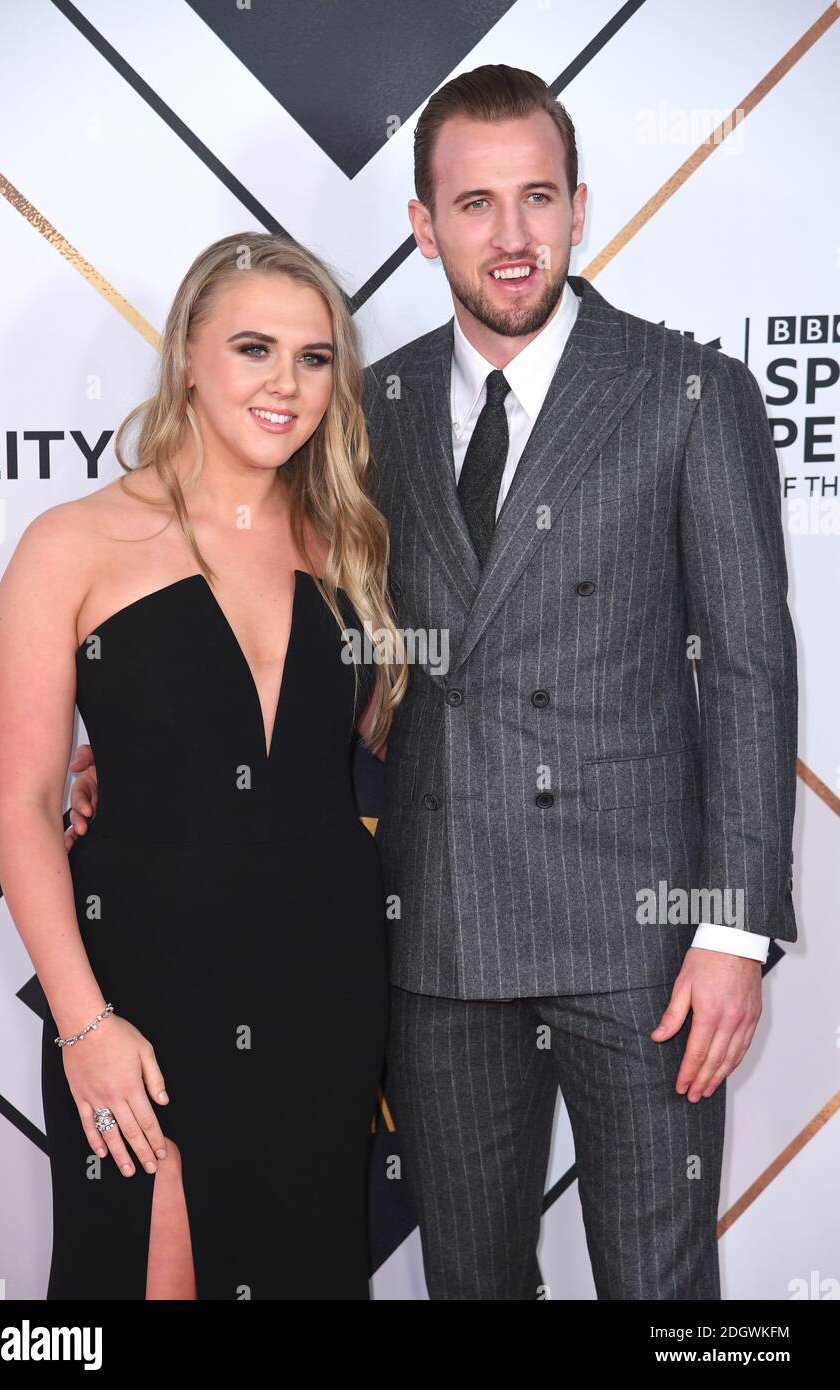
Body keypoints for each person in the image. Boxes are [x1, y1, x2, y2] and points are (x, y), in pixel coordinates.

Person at [67, 66, 799, 1300]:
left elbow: (745, 671)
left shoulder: (688, 391)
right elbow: (303, 631)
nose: (509, 238)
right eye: (474, 205)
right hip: (434, 934)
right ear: (423, 224)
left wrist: (730, 930)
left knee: (663, 1285)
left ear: (579, 208)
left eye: (536, 199)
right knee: (469, 1279)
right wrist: (149, 752)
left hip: (644, 946)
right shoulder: (364, 409)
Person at [0, 231, 406, 1300]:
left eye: (315, 358)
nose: (286, 384)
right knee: (144, 1270)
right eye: (254, 348)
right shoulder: (71, 544)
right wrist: (85, 1024)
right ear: (187, 357)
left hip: (326, 987)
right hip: (142, 984)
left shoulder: (346, 539)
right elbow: (25, 804)